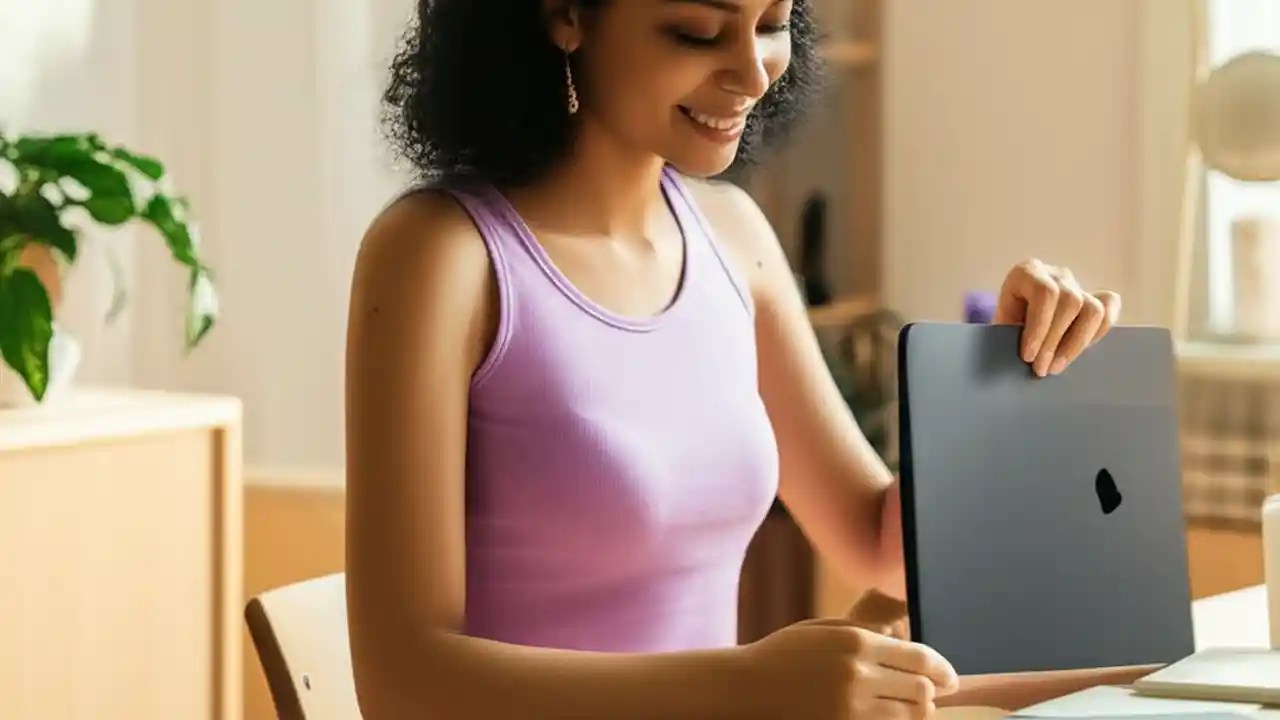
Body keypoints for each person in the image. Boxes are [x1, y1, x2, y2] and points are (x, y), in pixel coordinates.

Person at [343, 1, 1123, 718]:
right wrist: (748, 686)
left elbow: (881, 548)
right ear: (565, 13)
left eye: (772, 23)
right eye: (697, 32)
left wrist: (1010, 367)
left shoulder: (732, 236)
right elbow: (401, 685)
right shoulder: (441, 256)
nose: (753, 73)